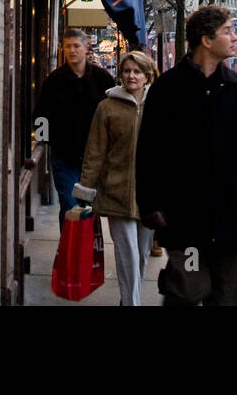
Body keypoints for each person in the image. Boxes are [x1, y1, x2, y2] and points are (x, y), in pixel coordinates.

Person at [136, 5, 237, 306]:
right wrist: (150, 204)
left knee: (227, 297)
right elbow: (149, 152)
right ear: (206, 39)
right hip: (185, 224)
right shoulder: (167, 90)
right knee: (188, 288)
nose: (234, 37)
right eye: (227, 31)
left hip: (230, 222)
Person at [72, 49, 157, 306]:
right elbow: (95, 151)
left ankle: (129, 298)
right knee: (127, 255)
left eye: (137, 72)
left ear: (147, 76)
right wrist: (86, 188)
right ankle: (131, 302)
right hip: (116, 192)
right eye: (127, 71)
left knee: (141, 255)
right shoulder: (107, 107)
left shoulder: (158, 105)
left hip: (149, 194)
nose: (131, 76)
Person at [34, 29, 114, 221]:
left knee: (88, 208)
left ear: (86, 48)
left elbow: (114, 113)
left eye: (76, 46)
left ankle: (85, 249)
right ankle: (69, 249)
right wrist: (44, 141)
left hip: (94, 158)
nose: (72, 50)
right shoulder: (53, 81)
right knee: (70, 206)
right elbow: (41, 114)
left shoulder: (102, 79)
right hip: (64, 156)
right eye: (68, 46)